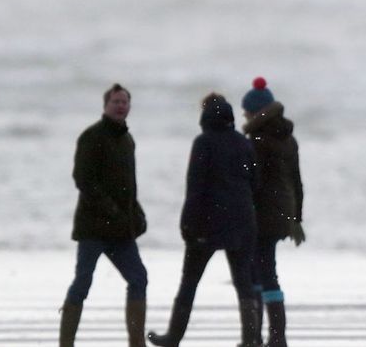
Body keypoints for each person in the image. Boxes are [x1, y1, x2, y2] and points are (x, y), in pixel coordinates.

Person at [148, 93, 260, 347]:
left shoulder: (203, 143)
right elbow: (256, 182)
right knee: (244, 282)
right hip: (243, 222)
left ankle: (173, 337)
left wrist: (187, 225)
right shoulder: (244, 143)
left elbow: (195, 189)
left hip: (207, 224)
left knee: (189, 280)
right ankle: (250, 339)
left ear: (205, 117)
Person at [61, 83, 149, 347]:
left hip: (121, 230)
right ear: (105, 106)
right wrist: (110, 210)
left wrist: (136, 212)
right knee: (83, 282)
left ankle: (136, 342)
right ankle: (65, 343)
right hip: (93, 228)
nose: (120, 106)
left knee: (138, 278)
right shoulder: (92, 136)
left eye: (124, 102)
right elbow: (83, 179)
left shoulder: (127, 139)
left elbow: (128, 186)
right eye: (115, 102)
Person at [242, 77, 305, 347]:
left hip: (260, 215)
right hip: (281, 215)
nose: (244, 115)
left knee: (260, 273)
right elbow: (297, 183)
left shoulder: (256, 140)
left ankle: (267, 338)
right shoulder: (288, 139)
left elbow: (252, 183)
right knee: (265, 270)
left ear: (255, 112)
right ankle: (272, 336)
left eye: (246, 112)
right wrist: (296, 219)